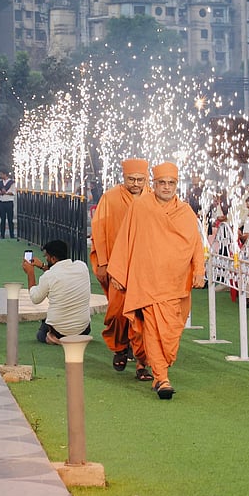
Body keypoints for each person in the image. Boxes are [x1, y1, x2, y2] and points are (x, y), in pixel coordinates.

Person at [107, 161, 205, 400]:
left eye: (171, 183)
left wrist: (199, 271)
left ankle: (158, 365)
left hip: (177, 283)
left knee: (171, 333)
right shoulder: (141, 207)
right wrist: (118, 272)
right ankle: (162, 378)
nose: (166, 187)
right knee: (152, 328)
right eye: (162, 183)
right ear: (154, 183)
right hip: (148, 281)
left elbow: (196, 244)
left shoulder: (185, 212)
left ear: (176, 185)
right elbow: (126, 238)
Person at [90, 158, 150, 379]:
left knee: (143, 316)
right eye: (131, 179)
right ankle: (120, 347)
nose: (136, 184)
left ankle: (143, 363)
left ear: (147, 179)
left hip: (145, 268)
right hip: (117, 267)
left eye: (140, 179)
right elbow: (99, 231)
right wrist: (103, 262)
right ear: (123, 177)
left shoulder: (154, 198)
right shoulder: (110, 198)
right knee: (117, 312)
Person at [22, 239, 91, 344]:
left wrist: (30, 273)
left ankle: (52, 337)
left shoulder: (48, 276)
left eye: (47, 257)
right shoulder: (82, 267)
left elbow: (35, 298)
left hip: (59, 331)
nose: (46, 258)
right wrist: (42, 266)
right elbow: (61, 275)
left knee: (41, 333)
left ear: (53, 258)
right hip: (83, 329)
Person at [0, 169, 17, 239]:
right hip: (2, 202)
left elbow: (13, 192)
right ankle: (2, 235)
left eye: (1, 174)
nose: (0, 175)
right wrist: (2, 192)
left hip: (9, 202)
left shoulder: (12, 183)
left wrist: (6, 192)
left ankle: (12, 235)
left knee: (10, 219)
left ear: (5, 174)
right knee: (2, 220)